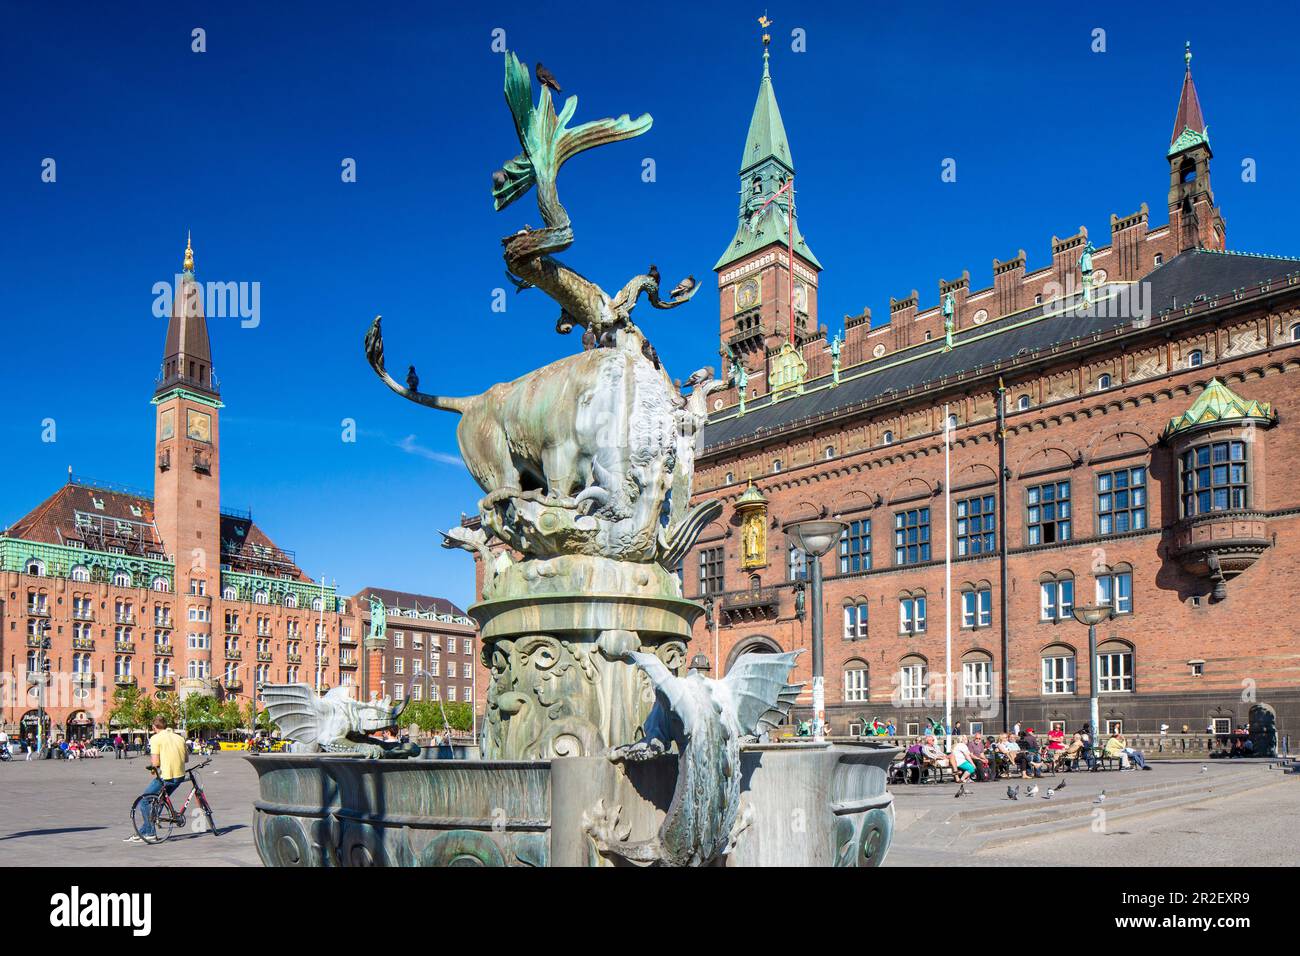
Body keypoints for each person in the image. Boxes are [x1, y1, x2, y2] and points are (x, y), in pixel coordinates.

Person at [125, 716, 189, 844]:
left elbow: (155, 762)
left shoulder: (155, 738)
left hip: (166, 776)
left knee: (144, 802)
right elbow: (186, 759)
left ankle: (150, 833)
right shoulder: (179, 738)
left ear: (154, 727)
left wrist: (153, 769)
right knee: (158, 802)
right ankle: (142, 832)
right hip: (180, 776)